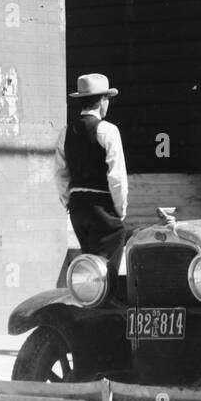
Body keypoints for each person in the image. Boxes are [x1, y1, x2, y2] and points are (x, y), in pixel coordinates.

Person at [54, 72, 128, 265]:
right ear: (103, 100)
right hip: (102, 207)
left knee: (91, 265)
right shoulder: (108, 130)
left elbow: (60, 173)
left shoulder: (65, 132)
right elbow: (117, 176)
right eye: (108, 99)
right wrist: (120, 210)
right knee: (105, 271)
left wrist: (69, 202)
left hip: (77, 207)